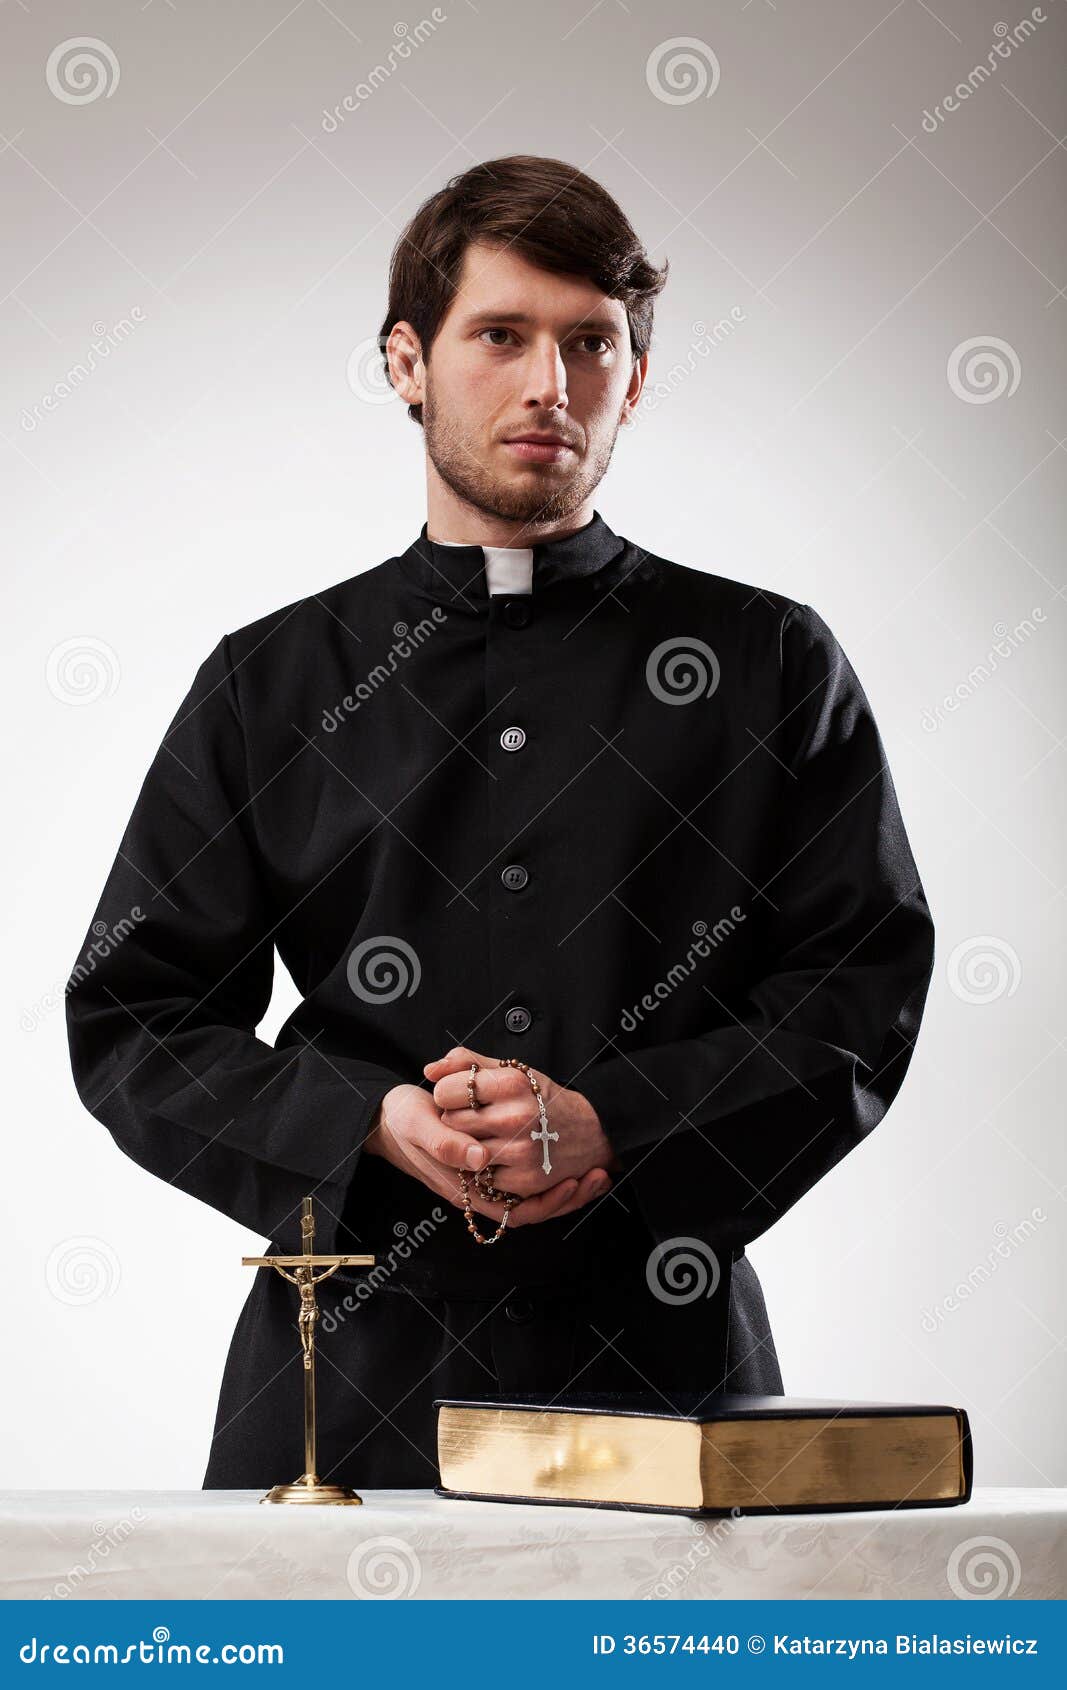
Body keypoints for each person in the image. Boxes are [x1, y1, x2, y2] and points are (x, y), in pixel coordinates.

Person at [65, 155, 935, 1491]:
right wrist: (368, 1119)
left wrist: (619, 1120)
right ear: (406, 362)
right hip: (346, 1384)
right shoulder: (275, 679)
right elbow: (134, 1014)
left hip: (669, 1374)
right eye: (502, 336)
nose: (551, 385)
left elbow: (859, 992)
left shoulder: (769, 661)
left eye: (593, 343)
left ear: (635, 378)